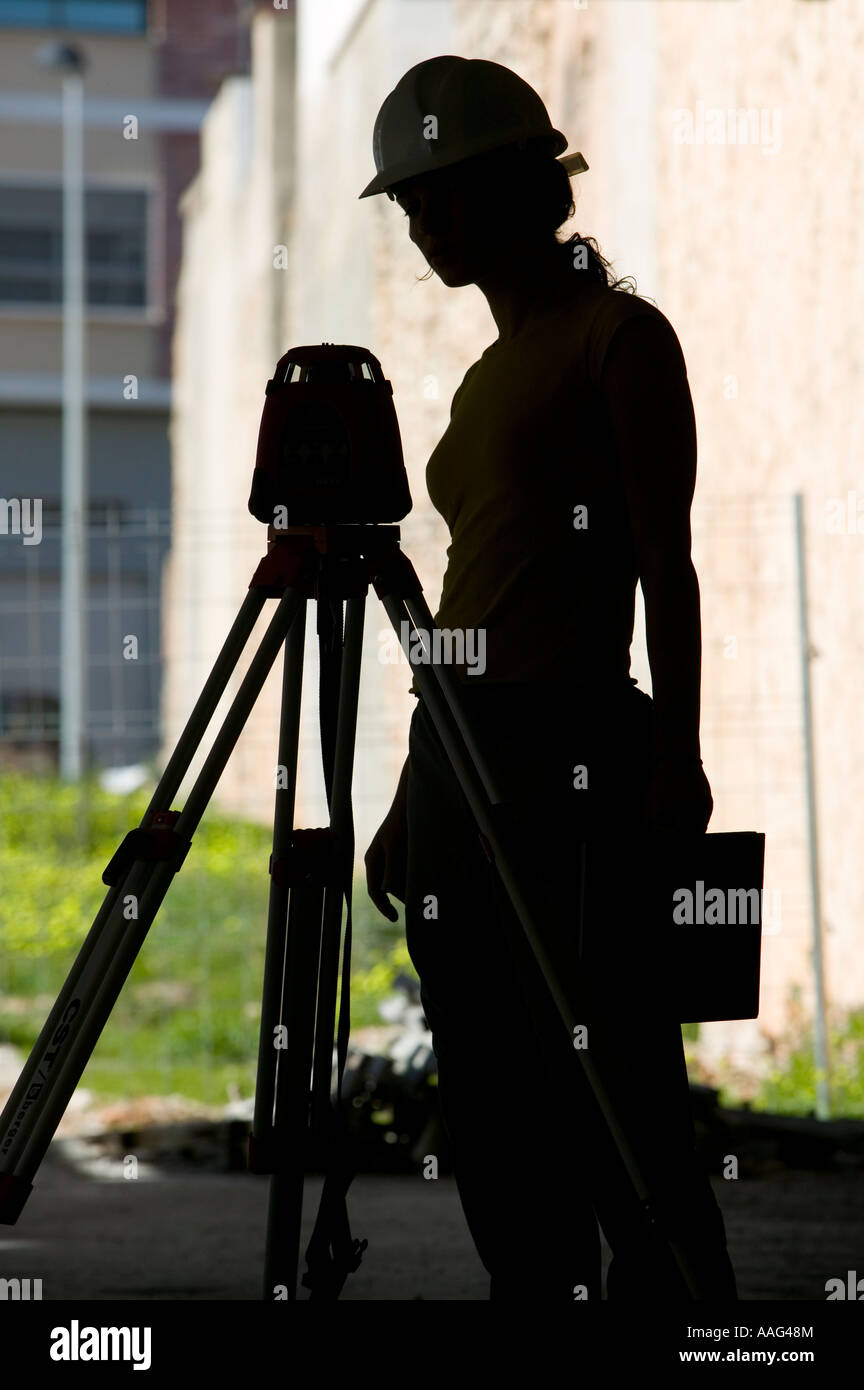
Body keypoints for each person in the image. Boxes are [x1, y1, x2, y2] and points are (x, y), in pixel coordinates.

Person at [361, 56, 737, 1302]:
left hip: (571, 749)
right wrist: (419, 793)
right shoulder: (480, 380)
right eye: (414, 206)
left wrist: (676, 757)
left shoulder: (619, 339)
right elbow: (477, 594)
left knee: (615, 1078)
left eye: (450, 197)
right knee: (485, 1085)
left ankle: (688, 1311)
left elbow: (664, 569)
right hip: (462, 748)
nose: (428, 227)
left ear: (533, 184)